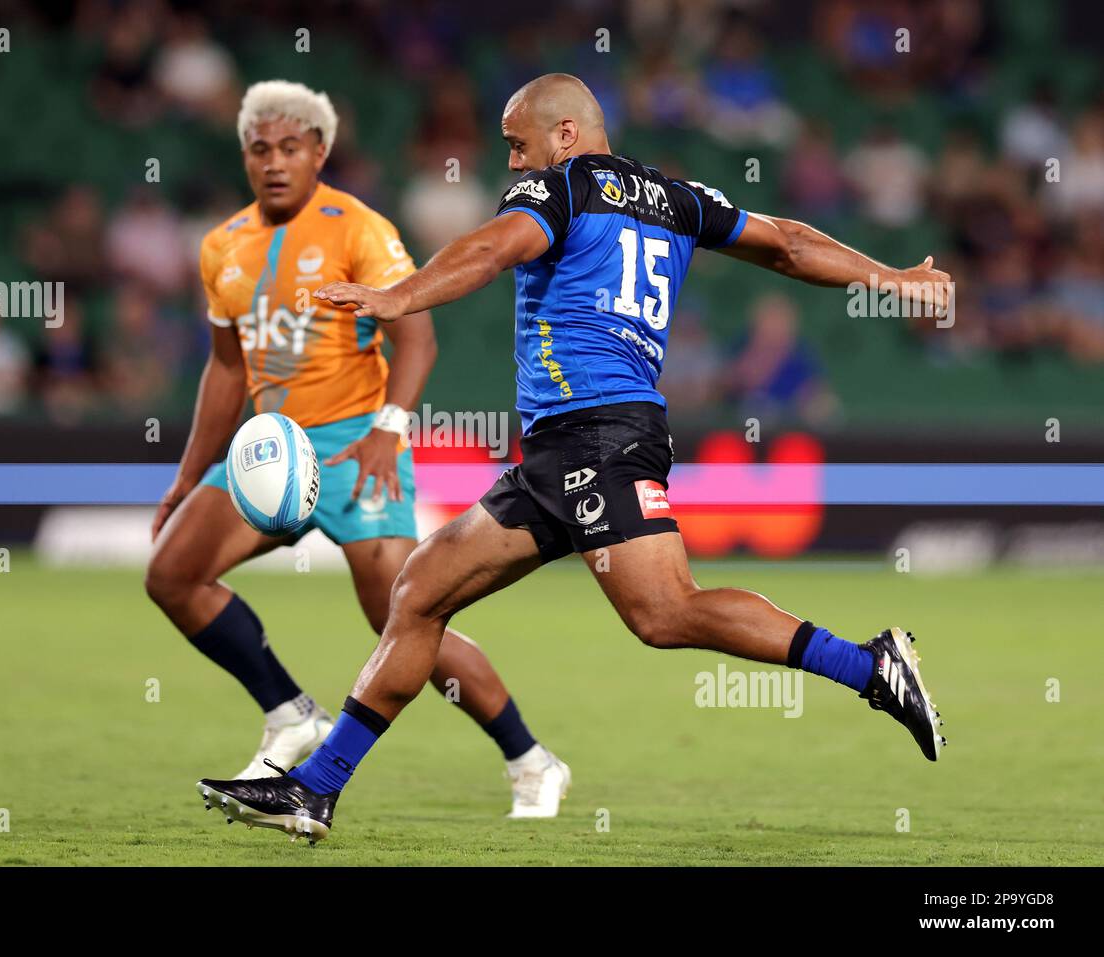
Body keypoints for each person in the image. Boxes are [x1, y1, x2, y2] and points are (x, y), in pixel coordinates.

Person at [198, 74, 949, 844]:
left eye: (519, 146)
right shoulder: (679, 196)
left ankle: (870, 666)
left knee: (665, 613)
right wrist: (888, 278)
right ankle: (315, 791)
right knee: (419, 590)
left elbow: (493, 249)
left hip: (596, 437)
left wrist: (403, 296)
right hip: (569, 446)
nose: (513, 163)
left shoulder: (559, 189)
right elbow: (788, 242)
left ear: (563, 135)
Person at [148, 80, 569, 820]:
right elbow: (225, 367)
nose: (275, 162)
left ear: (319, 151)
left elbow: (418, 333)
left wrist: (389, 429)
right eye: (259, 149)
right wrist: (188, 475)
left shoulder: (358, 228)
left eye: (290, 147)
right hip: (270, 452)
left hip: (355, 444)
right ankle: (288, 711)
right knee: (172, 574)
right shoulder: (221, 247)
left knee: (405, 616)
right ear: (245, 156)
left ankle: (530, 758)